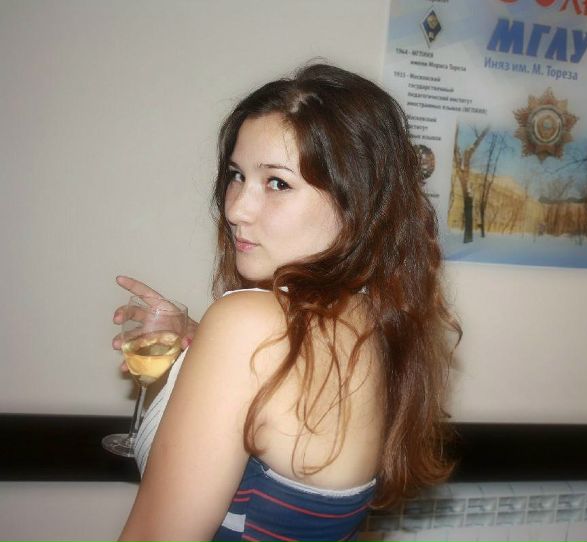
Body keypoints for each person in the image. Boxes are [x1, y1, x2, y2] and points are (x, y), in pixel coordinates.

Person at [111, 63, 460, 542]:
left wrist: (221, 339)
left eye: (277, 183)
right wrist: (199, 342)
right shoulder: (369, 322)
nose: (236, 208)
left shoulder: (249, 327)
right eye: (237, 175)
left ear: (355, 204)